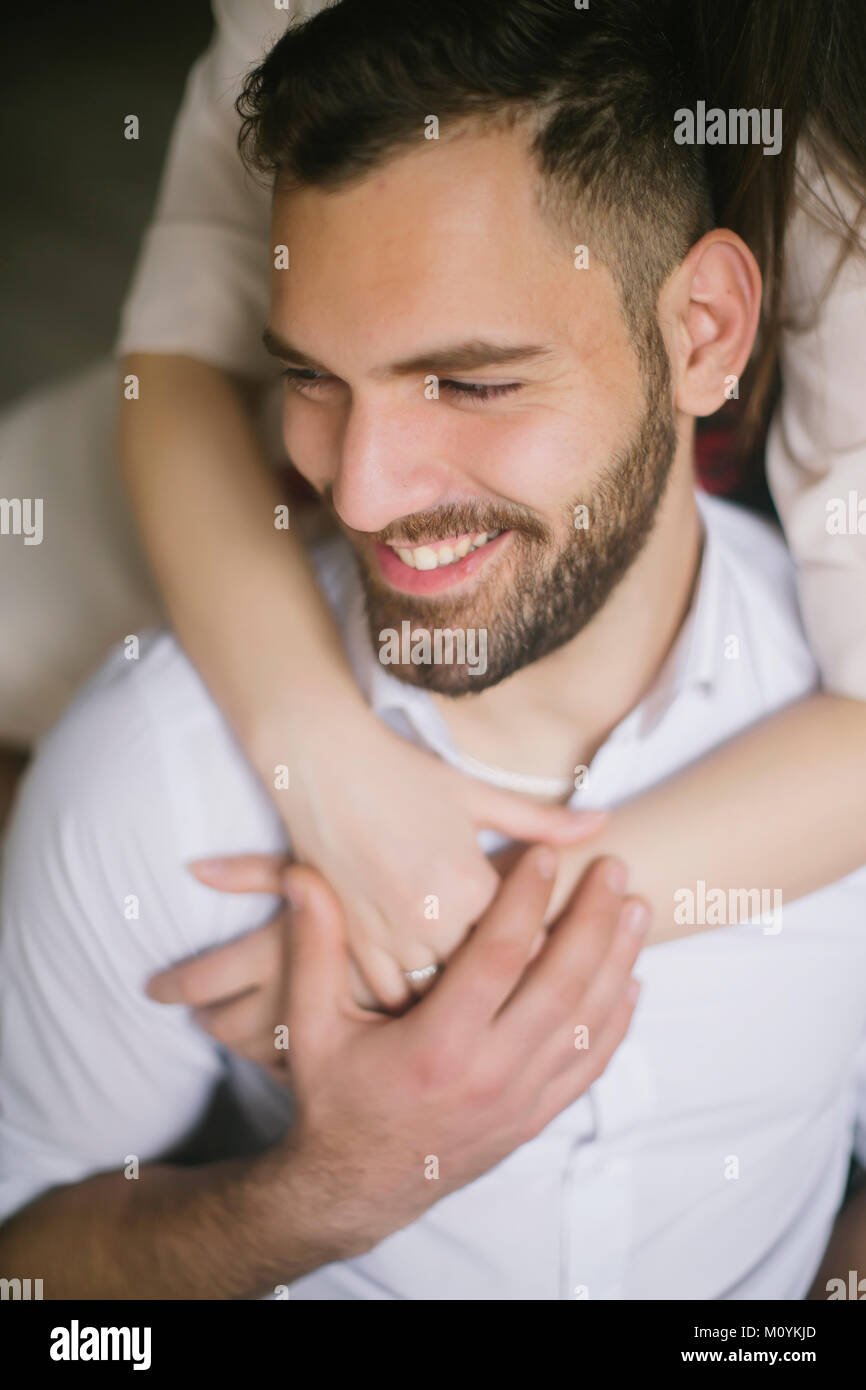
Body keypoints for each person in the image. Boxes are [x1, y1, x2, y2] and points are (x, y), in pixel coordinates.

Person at [1, 0, 865, 1300]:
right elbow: (34, 1279)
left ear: (705, 332)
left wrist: (484, 949)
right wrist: (323, 1192)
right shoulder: (158, 798)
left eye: (471, 382)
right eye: (313, 378)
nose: (359, 491)